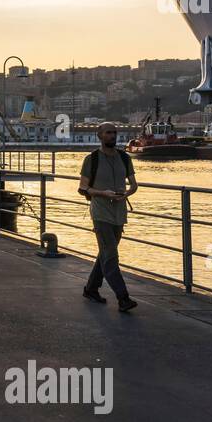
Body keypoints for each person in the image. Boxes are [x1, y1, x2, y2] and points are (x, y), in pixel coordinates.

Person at [78, 122, 139, 312]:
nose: (112, 136)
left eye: (114, 132)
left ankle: (91, 288)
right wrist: (103, 193)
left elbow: (134, 185)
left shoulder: (124, 157)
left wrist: (126, 194)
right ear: (100, 136)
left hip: (119, 213)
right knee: (111, 255)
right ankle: (123, 298)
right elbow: (83, 188)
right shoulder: (92, 159)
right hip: (101, 212)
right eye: (108, 133)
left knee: (106, 253)